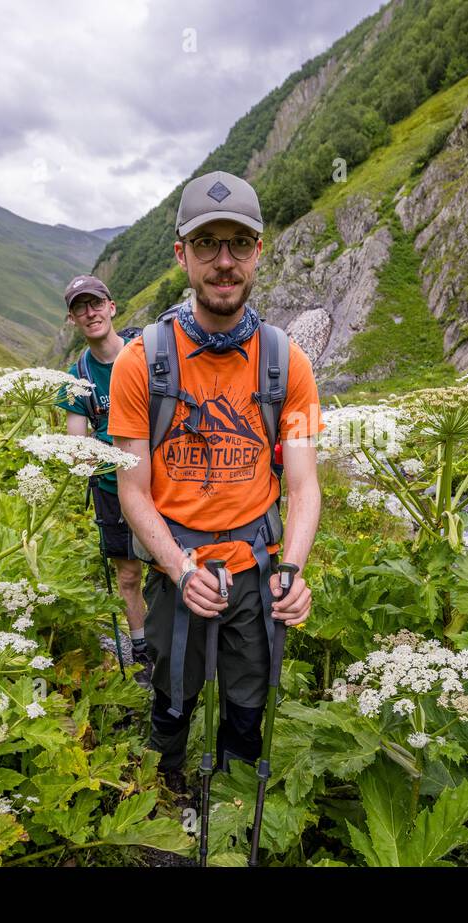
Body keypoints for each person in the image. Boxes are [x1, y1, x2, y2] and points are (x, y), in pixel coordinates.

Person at [107, 170, 322, 798]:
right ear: (182, 254)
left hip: (257, 569)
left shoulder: (287, 363)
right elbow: (132, 490)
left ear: (259, 251)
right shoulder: (141, 360)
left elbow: (304, 486)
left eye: (238, 244)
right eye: (207, 244)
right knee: (172, 697)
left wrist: (295, 569)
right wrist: (178, 568)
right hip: (181, 565)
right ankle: (167, 788)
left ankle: (229, 802)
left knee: (249, 705)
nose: (223, 262)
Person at [56, 274, 150, 679]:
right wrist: (88, 456)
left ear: (112, 307)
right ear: (73, 319)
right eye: (80, 307)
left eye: (96, 304)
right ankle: (143, 650)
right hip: (111, 488)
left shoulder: (146, 355)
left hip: (158, 483)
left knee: (168, 566)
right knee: (128, 574)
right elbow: (76, 443)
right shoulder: (77, 377)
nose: (90, 312)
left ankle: (175, 639)